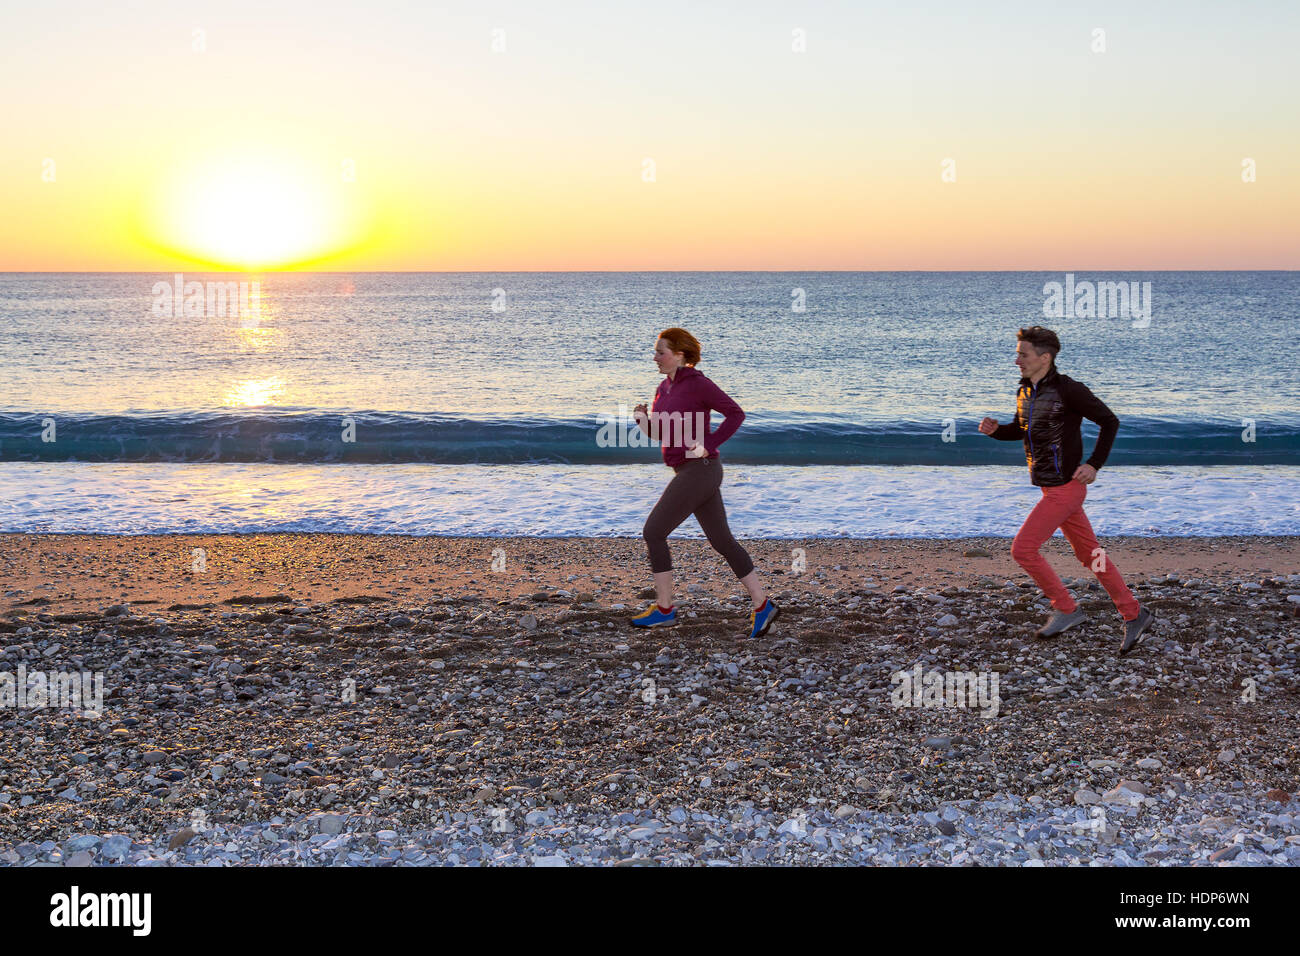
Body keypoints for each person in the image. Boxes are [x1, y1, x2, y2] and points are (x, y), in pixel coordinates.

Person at [979, 326, 1155, 654]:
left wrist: (1094, 464)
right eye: (1017, 353)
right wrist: (996, 431)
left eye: (1023, 354)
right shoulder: (1025, 391)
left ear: (1044, 358)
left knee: (1023, 549)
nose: (1016, 359)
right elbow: (1021, 430)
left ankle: (1067, 609)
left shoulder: (1069, 390)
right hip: (1050, 489)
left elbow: (1109, 421)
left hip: (1066, 488)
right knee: (1091, 555)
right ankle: (1134, 613)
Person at [630, 327, 779, 638]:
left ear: (680, 355)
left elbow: (735, 414)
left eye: (661, 352)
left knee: (653, 531)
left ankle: (665, 610)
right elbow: (662, 433)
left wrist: (709, 444)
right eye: (656, 352)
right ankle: (763, 605)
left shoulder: (698, 384)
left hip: (701, 469)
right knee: (722, 541)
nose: (655, 357)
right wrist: (644, 420)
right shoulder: (662, 388)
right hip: (688, 471)